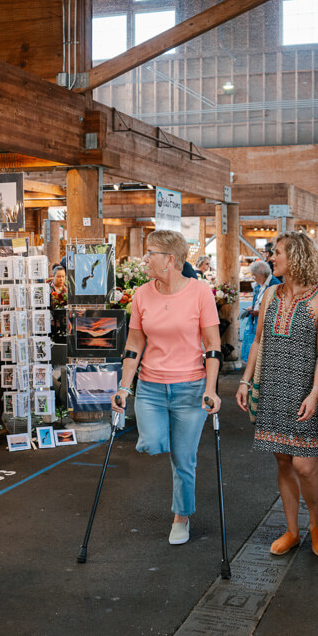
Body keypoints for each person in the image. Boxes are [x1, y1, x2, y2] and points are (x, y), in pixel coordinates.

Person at [113, 230, 222, 545]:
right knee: (152, 443)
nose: (145, 259)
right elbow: (134, 345)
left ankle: (181, 517)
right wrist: (124, 386)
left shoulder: (201, 293)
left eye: (151, 253)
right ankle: (165, 444)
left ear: (170, 259)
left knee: (183, 458)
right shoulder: (142, 294)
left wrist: (212, 389)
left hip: (191, 388)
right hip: (150, 388)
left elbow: (213, 346)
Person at [237, 232, 318, 557]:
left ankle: (315, 522)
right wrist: (245, 380)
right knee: (283, 461)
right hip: (273, 388)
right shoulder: (269, 295)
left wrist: (315, 393)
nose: (272, 257)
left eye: (277, 252)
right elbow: (259, 342)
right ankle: (292, 530)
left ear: (296, 258)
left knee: (305, 466)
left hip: (307, 392)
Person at [240, 260, 271, 362]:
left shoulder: (273, 285)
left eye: (254, 276)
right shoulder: (261, 285)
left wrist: (258, 312)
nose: (254, 278)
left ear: (262, 274)